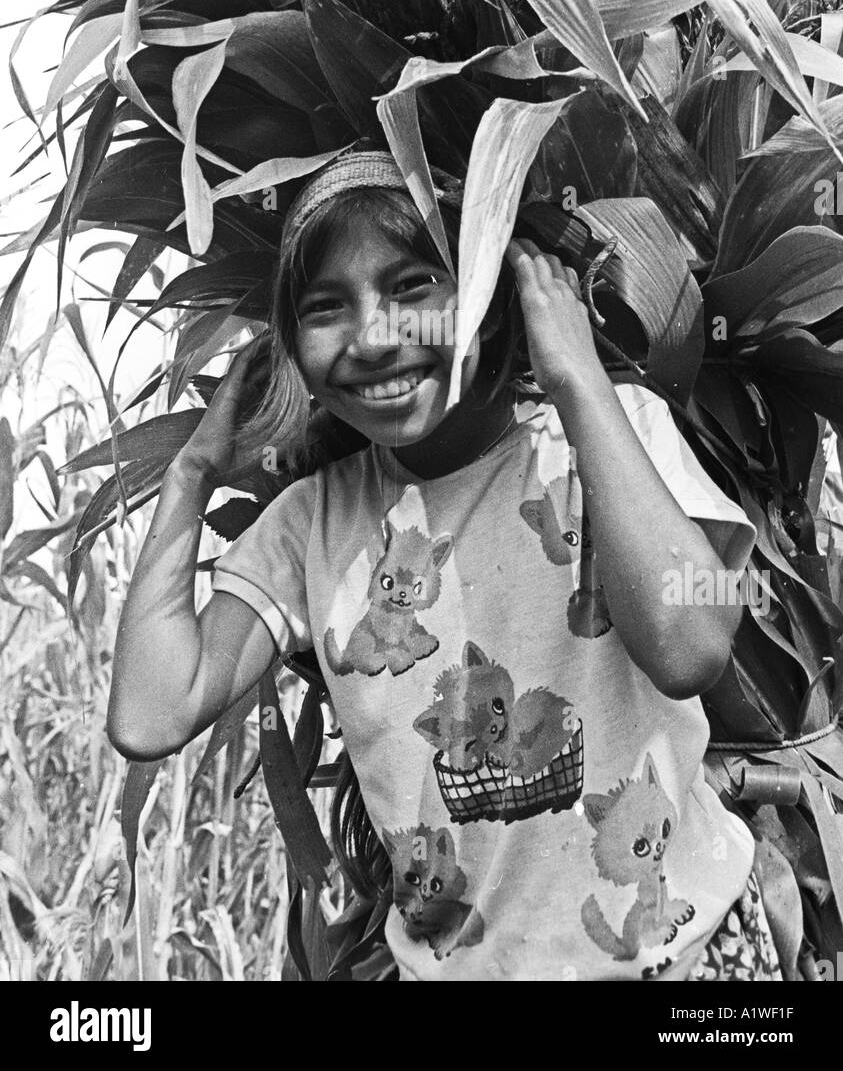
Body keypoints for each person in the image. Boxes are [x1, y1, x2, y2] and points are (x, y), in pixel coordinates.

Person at [108, 148, 781, 981]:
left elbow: (693, 647)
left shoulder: (616, 435)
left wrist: (574, 375)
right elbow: (147, 715)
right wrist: (190, 472)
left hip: (686, 962)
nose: (373, 336)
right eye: (326, 307)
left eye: (414, 286)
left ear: (493, 299)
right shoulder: (311, 526)